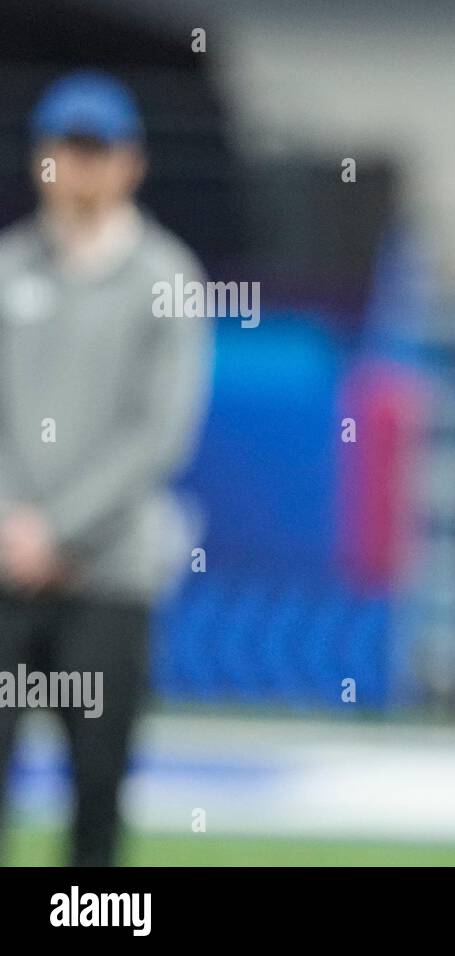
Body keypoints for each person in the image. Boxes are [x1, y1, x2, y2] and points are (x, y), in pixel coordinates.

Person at [0, 70, 213, 866]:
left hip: (110, 577)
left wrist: (55, 531)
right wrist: (12, 524)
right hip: (4, 569)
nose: (77, 168)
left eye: (96, 150)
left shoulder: (167, 280)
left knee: (97, 789)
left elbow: (157, 434)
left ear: (130, 163)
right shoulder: (10, 268)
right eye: (64, 149)